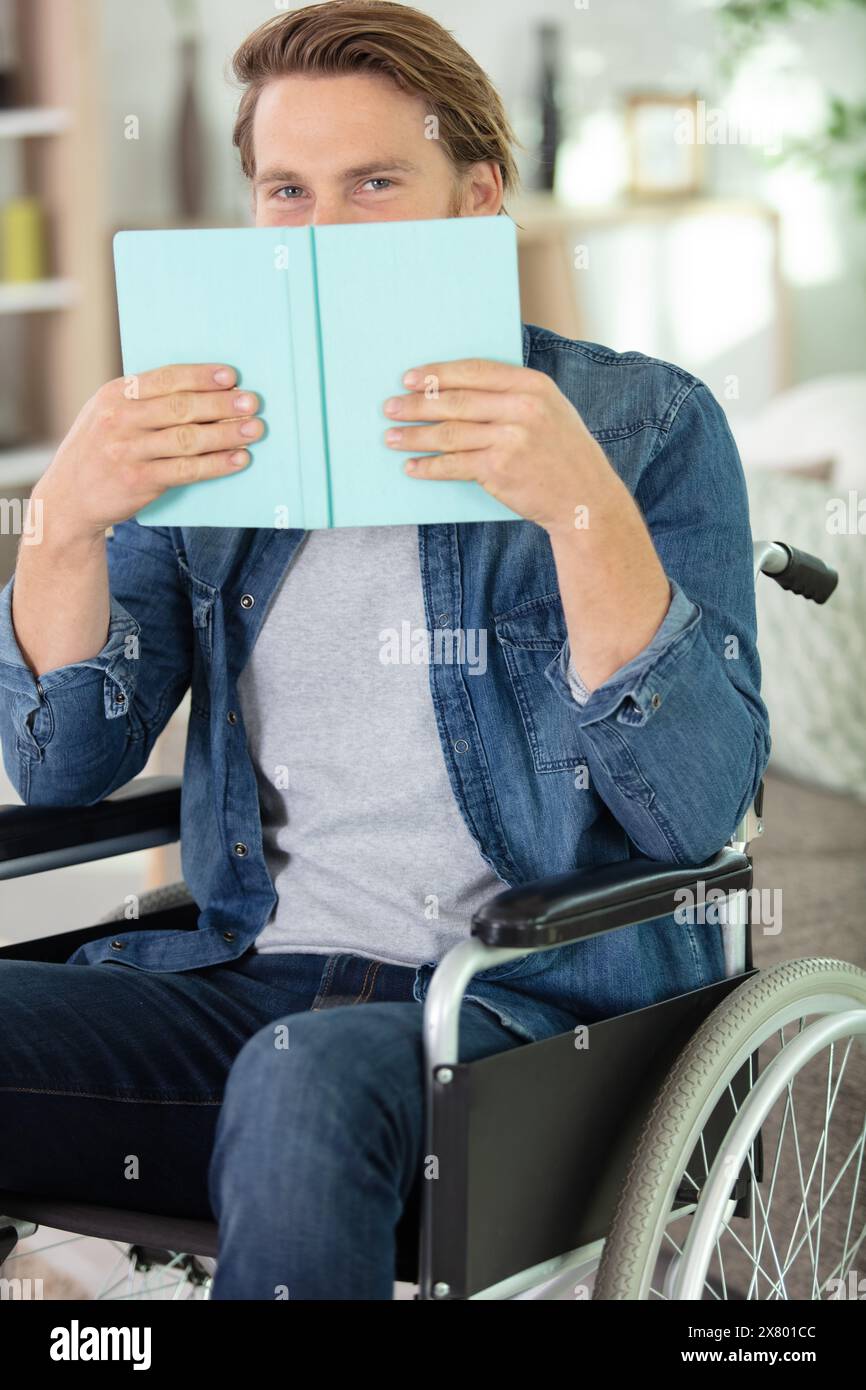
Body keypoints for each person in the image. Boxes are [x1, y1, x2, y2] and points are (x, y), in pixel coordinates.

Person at [0, 1, 769, 1300]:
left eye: (373, 184)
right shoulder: (220, 455)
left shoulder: (641, 423)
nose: (321, 232)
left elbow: (693, 807)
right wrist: (64, 527)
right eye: (286, 189)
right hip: (250, 979)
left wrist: (577, 508)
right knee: (279, 1054)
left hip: (515, 1010)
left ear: (476, 201)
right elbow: (65, 767)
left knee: (307, 1074)